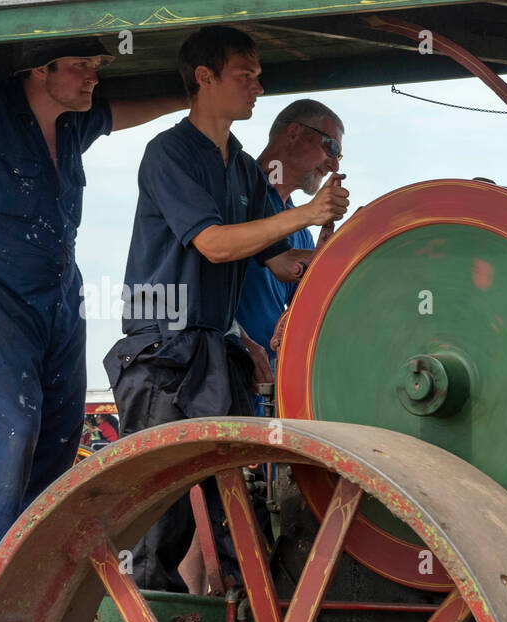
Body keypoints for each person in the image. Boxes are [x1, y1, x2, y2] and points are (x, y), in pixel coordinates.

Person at [0, 37, 186, 572]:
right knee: (8, 434)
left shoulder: (75, 125)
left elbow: (122, 113)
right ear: (39, 69)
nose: (94, 75)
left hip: (61, 290)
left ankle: (30, 573)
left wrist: (191, 98)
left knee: (61, 432)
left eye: (96, 66)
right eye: (82, 66)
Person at [105, 25, 348, 593]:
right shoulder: (168, 153)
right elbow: (214, 243)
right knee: (161, 515)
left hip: (214, 350)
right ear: (204, 78)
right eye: (247, 75)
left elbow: (281, 262)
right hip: (164, 353)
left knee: (232, 506)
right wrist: (306, 214)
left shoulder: (239, 165)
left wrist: (342, 250)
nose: (258, 87)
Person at [234, 98, 344, 377]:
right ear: (294, 133)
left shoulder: (302, 235)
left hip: (268, 380)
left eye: (338, 157)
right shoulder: (232, 192)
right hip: (223, 371)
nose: (333, 165)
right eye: (331, 147)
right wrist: (234, 340)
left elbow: (306, 311)